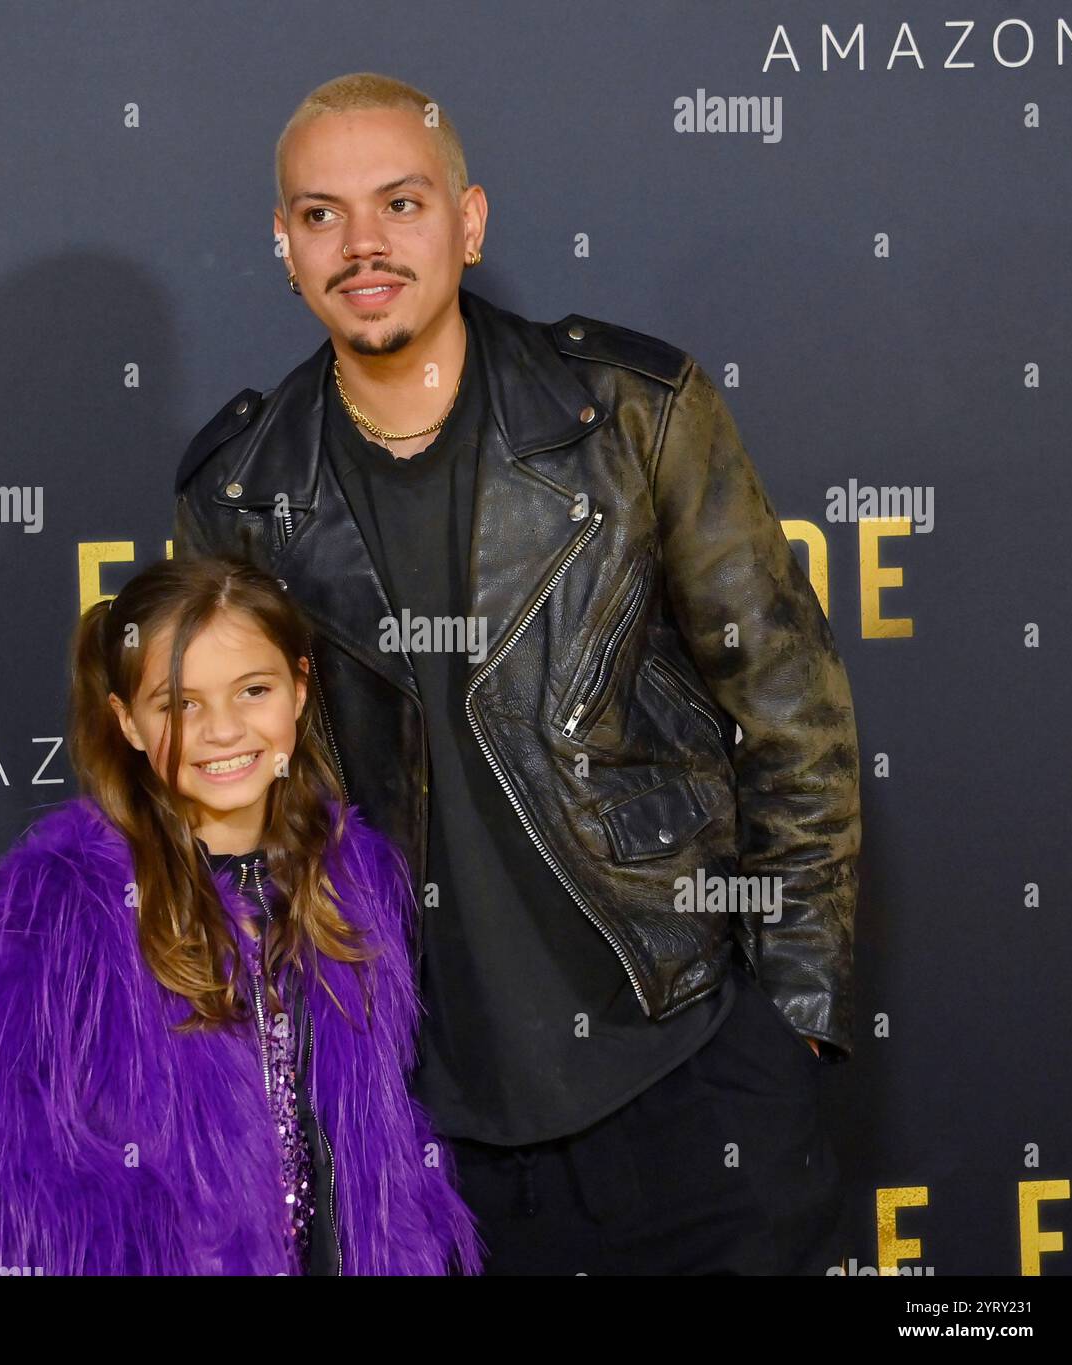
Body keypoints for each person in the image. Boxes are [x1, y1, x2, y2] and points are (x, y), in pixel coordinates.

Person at [173, 72, 861, 1274]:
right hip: (430, 1132)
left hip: (687, 1071)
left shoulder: (632, 413)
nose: (364, 245)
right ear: (283, 245)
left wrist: (790, 1022)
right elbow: (239, 810)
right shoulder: (238, 491)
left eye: (401, 201)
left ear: (469, 221)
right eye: (322, 215)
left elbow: (789, 714)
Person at [0, 555, 483, 1276]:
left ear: (297, 687)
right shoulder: (63, 903)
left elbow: (382, 1139)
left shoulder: (358, 879)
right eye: (179, 704)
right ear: (128, 722)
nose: (221, 730)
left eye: (251, 690)